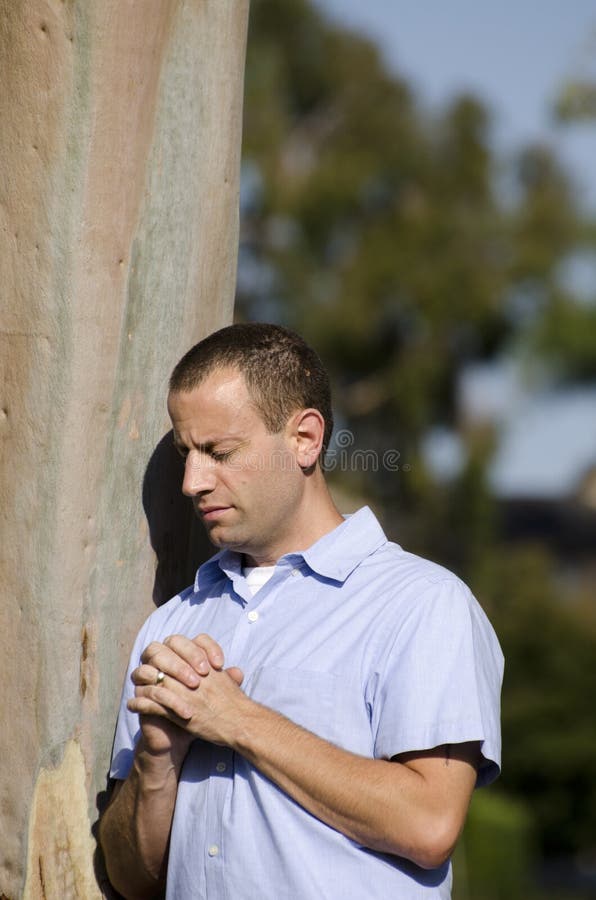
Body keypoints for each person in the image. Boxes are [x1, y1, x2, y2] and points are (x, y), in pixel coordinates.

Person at [99, 322, 503, 900]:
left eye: (220, 452)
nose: (191, 481)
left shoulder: (422, 604)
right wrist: (157, 760)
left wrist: (237, 720)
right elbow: (132, 880)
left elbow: (429, 825)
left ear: (305, 439)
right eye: (187, 454)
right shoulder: (172, 623)